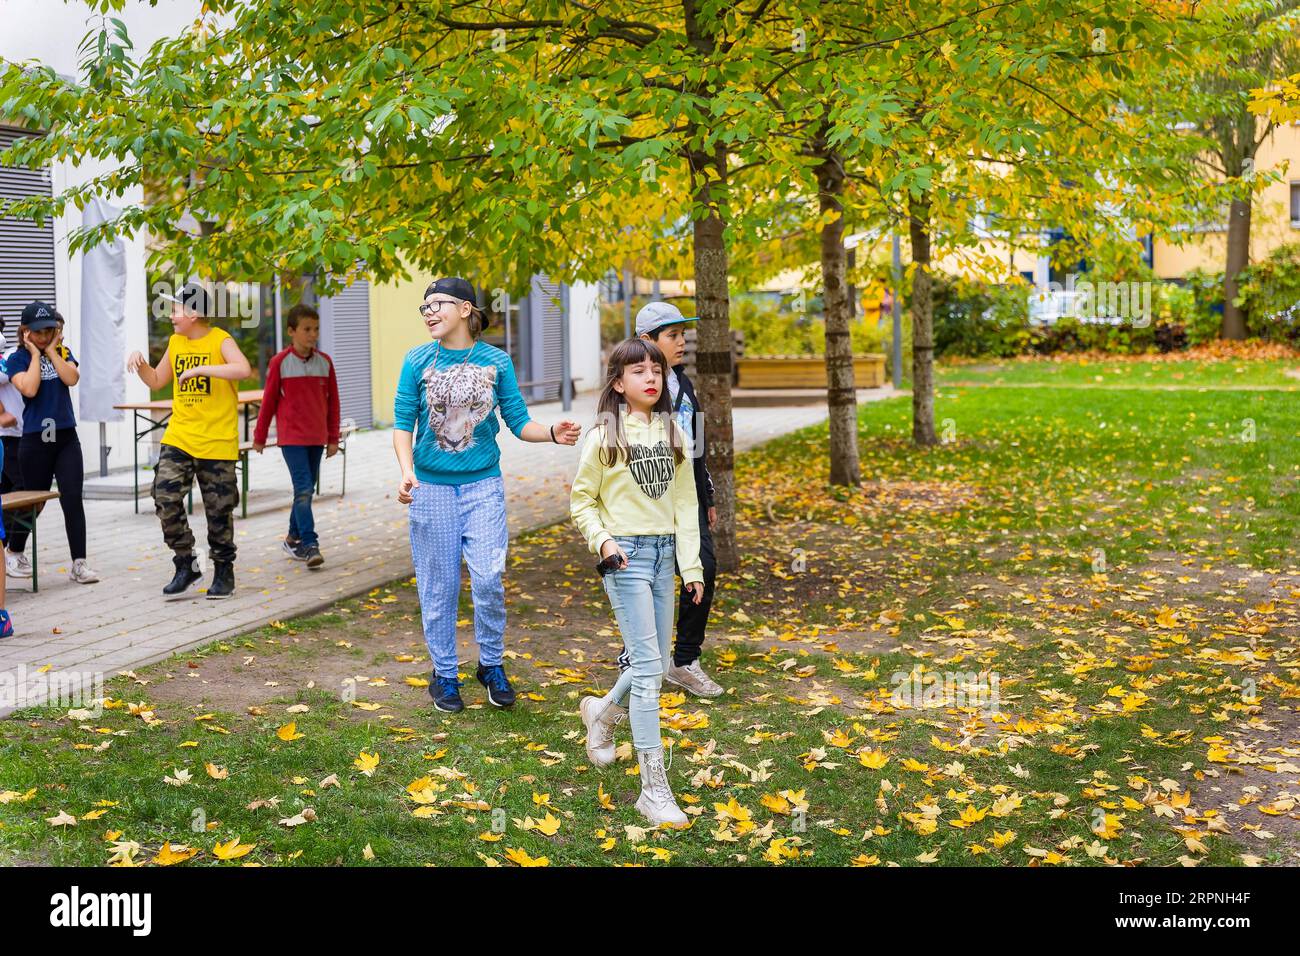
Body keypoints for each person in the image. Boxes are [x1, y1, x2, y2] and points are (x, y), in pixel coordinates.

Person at [393, 277, 580, 713]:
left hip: (483, 485)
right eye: (423, 308)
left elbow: (518, 421)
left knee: (488, 577)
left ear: (464, 309)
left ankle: (491, 664)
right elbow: (403, 423)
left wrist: (552, 432)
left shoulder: (496, 361)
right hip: (431, 487)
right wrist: (406, 473)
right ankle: (444, 674)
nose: (428, 313)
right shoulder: (416, 360)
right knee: (437, 585)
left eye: (436, 304)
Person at [570, 337, 705, 828]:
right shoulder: (604, 435)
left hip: (667, 553)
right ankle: (653, 788)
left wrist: (691, 566)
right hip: (626, 558)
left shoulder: (674, 431)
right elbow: (582, 502)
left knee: (655, 662)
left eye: (656, 370)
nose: (650, 378)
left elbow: (687, 503)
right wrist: (604, 542)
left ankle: (602, 714)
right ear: (618, 383)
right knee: (649, 671)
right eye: (638, 371)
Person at [126, 283, 251, 599]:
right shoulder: (176, 342)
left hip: (217, 440)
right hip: (180, 436)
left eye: (176, 309)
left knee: (218, 511)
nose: (171, 315)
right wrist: (141, 364)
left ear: (194, 313)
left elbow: (243, 368)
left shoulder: (220, 339)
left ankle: (224, 571)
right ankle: (186, 562)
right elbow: (156, 379)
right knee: (164, 496)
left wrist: (202, 370)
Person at [630, 301, 723, 697]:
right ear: (645, 340)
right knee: (644, 577)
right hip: (645, 503)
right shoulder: (628, 385)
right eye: (672, 335)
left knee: (703, 567)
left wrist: (708, 496)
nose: (681, 342)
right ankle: (636, 656)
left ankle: (684, 660)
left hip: (688, 502)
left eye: (682, 334)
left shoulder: (683, 383)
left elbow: (697, 444)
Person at [5, 301, 99, 585]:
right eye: (38, 332)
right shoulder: (17, 359)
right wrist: (35, 354)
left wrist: (52, 352)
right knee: (35, 503)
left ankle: (79, 564)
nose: (44, 336)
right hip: (35, 439)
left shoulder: (63, 352)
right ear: (25, 332)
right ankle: (14, 550)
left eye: (49, 330)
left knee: (72, 498)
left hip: (65, 436)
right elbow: (29, 389)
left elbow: (71, 378)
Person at [252, 303, 340, 569]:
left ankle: (291, 538)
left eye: (315, 329)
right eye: (306, 329)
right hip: (291, 439)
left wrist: (333, 437)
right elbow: (268, 402)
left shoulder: (325, 362)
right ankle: (309, 544)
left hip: (316, 438)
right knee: (303, 489)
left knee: (306, 491)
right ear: (291, 331)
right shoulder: (280, 363)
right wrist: (260, 435)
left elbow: (333, 403)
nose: (313, 334)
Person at [0, 315, 30, 580]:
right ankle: (10, 550)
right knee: (24, 490)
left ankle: (10, 551)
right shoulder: (9, 358)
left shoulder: (11, 354)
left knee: (13, 491)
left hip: (24, 433)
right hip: (8, 436)